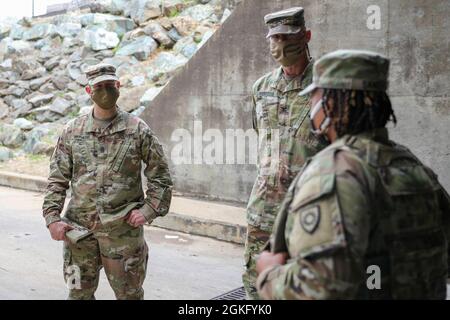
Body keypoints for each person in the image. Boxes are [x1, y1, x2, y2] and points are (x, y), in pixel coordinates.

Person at [255, 49, 450, 299]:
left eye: (314, 96)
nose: (311, 105)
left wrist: (270, 274)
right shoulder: (413, 167)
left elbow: (317, 290)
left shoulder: (335, 173)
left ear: (332, 103)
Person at [42, 63, 173, 300]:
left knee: (129, 295)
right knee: (78, 293)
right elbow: (57, 179)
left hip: (122, 233)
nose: (105, 91)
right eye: (99, 87)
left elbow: (161, 176)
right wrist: (52, 218)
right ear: (88, 91)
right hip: (78, 234)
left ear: (118, 86)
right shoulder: (72, 131)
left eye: (110, 86)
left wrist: (150, 209)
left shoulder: (137, 129)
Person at [244, 7, 326, 299]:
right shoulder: (262, 87)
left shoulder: (327, 86)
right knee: (257, 287)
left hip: (311, 210)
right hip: (263, 209)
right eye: (274, 38)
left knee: (307, 288)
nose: (280, 45)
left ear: (306, 36)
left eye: (288, 37)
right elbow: (262, 137)